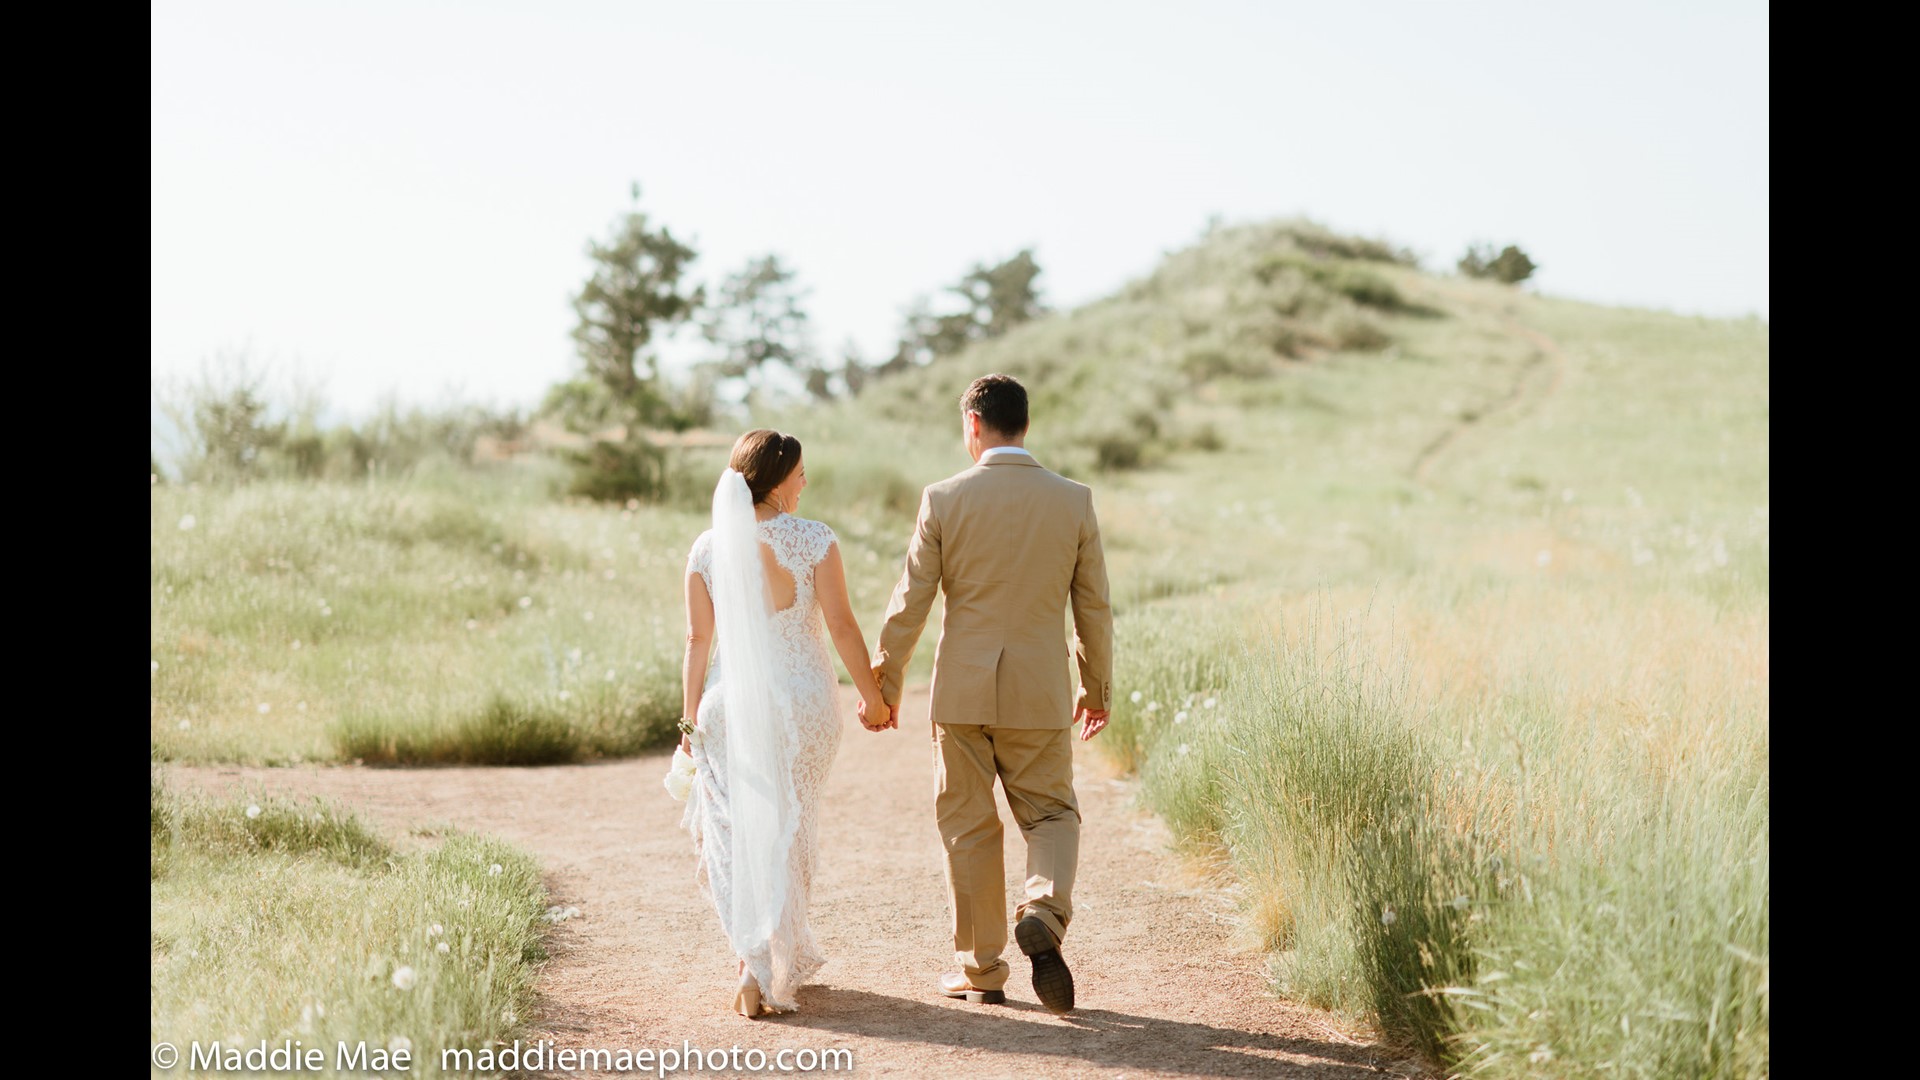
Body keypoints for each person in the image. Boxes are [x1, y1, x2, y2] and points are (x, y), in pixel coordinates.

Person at [870, 373, 1113, 1015]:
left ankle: (981, 970)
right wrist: (1096, 687)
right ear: (1024, 425)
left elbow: (910, 599)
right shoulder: (1074, 500)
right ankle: (1044, 911)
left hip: (963, 693)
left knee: (969, 829)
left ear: (973, 425)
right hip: (1039, 689)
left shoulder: (943, 498)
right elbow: (1093, 606)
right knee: (1053, 813)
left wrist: (885, 682)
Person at [679, 429, 892, 1018]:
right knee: (792, 827)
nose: (805, 482)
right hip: (801, 704)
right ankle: (771, 955)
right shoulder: (815, 540)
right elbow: (844, 627)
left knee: (735, 829)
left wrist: (689, 717)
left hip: (727, 704)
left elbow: (698, 640)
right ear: (776, 479)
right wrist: (874, 699)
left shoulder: (706, 547)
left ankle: (751, 960)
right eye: (800, 472)